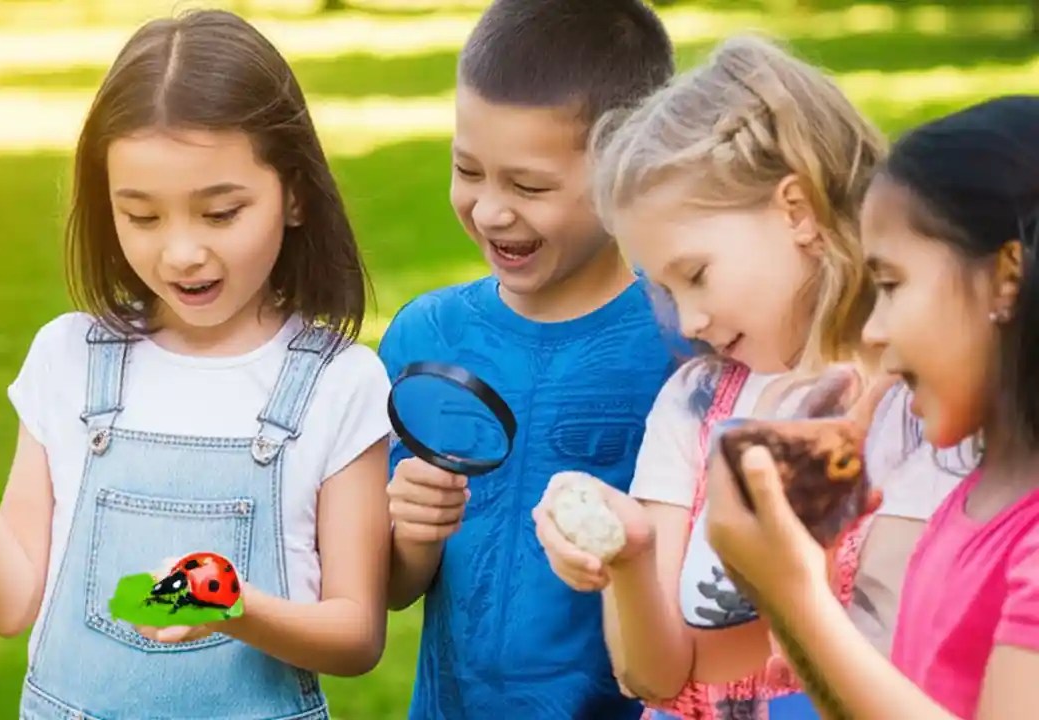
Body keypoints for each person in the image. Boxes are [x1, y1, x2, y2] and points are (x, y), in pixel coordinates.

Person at [0, 10, 392, 719]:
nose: (180, 253)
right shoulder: (69, 358)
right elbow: (9, 603)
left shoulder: (339, 383)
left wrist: (232, 605)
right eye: (142, 216)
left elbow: (356, 636)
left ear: (293, 194)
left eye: (220, 212)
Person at [533, 35, 974, 719]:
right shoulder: (695, 403)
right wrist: (631, 559)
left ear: (796, 211)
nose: (689, 318)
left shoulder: (928, 410)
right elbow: (651, 676)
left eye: (696, 275)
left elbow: (895, 665)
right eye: (665, 291)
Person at [377, 1, 679, 718]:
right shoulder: (427, 337)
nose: (488, 211)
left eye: (529, 186)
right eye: (467, 170)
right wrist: (413, 537)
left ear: (628, 167)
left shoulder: (679, 348)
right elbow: (390, 588)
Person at [706, 94, 1039, 720]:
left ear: (1006, 278)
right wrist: (802, 579)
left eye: (890, 285)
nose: (874, 331)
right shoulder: (974, 498)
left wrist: (793, 599)